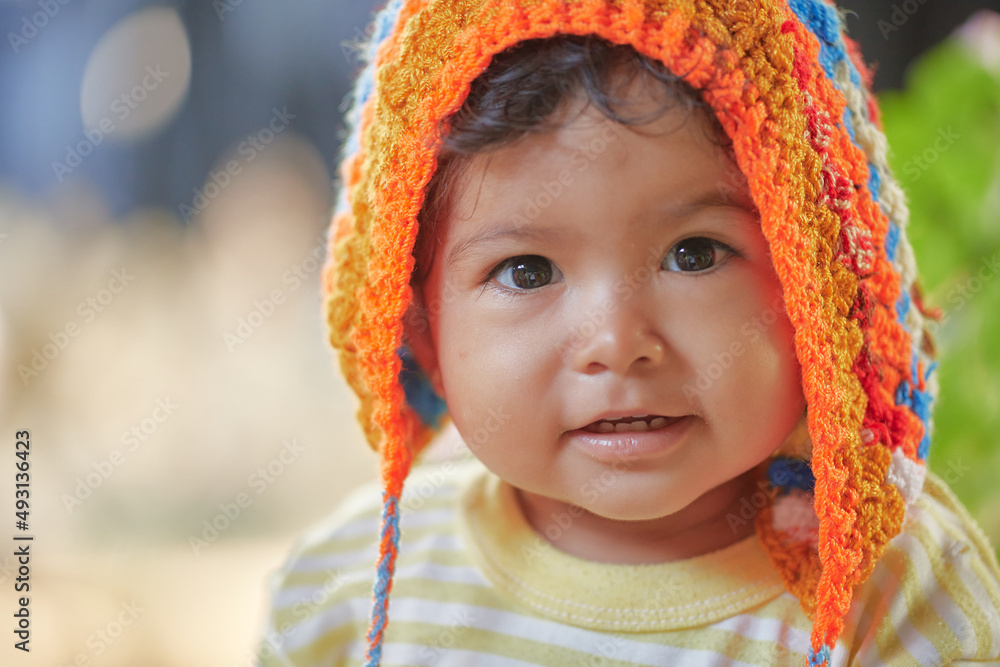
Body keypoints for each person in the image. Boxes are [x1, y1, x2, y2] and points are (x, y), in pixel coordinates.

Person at [258, 1, 1000, 665]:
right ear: (419, 329)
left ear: (825, 287)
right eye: (526, 270)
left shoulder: (899, 600)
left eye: (696, 253)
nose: (616, 341)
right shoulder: (346, 599)